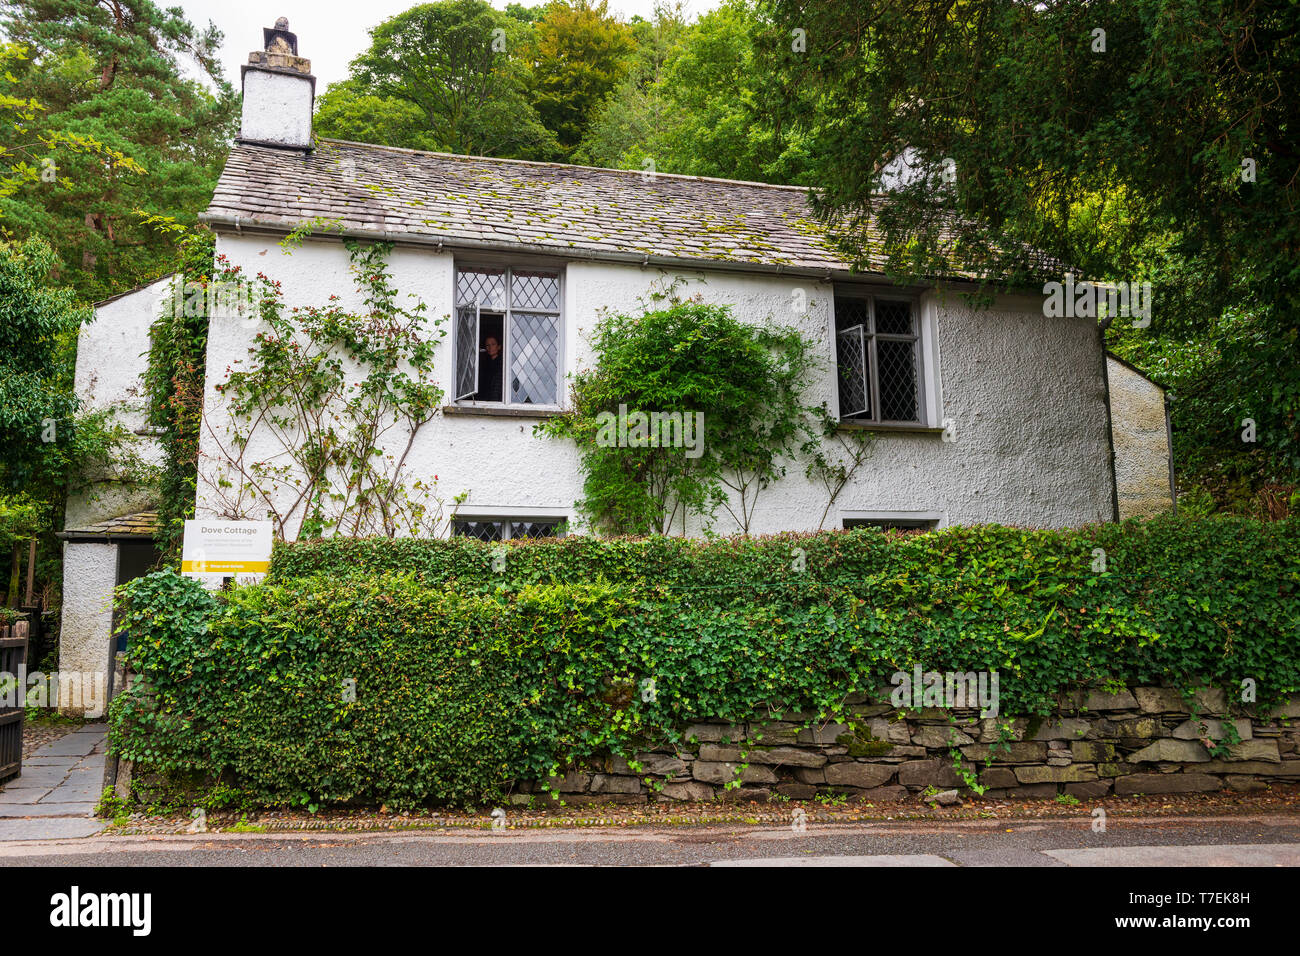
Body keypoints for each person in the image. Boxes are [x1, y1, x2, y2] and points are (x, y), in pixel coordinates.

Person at [477, 334, 503, 402]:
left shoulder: (502, 364)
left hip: (496, 399)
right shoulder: (485, 363)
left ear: (499, 347)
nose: (490, 347)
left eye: (493, 344)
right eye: (487, 345)